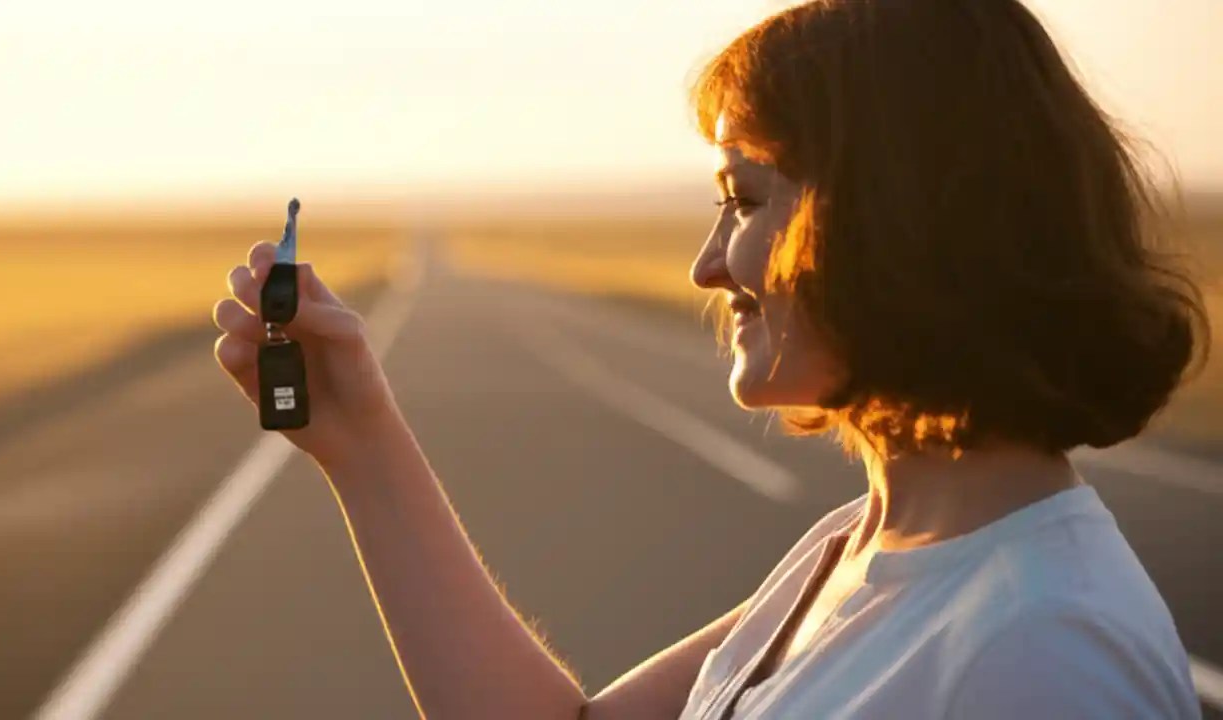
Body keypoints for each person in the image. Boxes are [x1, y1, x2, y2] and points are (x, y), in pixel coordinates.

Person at [212, 0, 1210, 717]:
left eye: (740, 199)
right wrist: (358, 442)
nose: (702, 265)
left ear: (889, 217)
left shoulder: (1040, 654)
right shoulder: (852, 554)